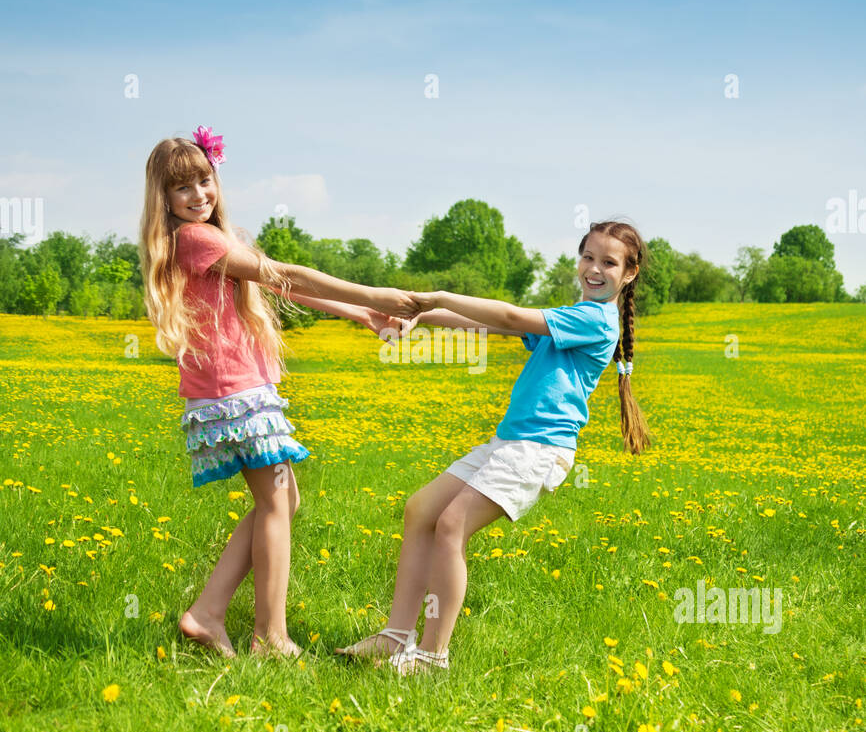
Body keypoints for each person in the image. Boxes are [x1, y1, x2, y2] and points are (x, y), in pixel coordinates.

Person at [138, 127, 415, 660]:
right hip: (233, 391)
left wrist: (360, 315)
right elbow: (285, 271)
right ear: (163, 200)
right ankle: (270, 635)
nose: (198, 195)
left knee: (282, 500)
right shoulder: (196, 240)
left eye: (204, 180)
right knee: (276, 502)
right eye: (182, 189)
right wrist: (373, 293)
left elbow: (276, 285)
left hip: (233, 388)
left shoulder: (213, 239)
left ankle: (207, 613)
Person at [335, 220, 651, 675]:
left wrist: (439, 296)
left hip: (539, 449)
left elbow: (506, 315)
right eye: (589, 257)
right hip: (510, 442)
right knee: (421, 510)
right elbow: (485, 322)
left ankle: (430, 657)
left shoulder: (594, 321)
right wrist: (421, 317)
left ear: (629, 273)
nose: (595, 269)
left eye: (609, 262)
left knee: (450, 527)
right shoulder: (568, 315)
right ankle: (394, 637)